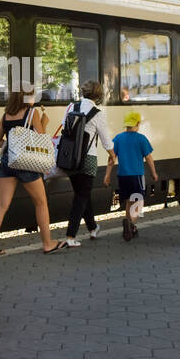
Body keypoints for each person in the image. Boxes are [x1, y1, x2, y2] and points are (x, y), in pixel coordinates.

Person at [0, 86, 62, 257]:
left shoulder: (6, 115)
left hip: (8, 162)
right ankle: (48, 244)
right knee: (41, 203)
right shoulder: (31, 112)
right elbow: (41, 137)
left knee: (1, 205)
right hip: (27, 163)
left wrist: (12, 145)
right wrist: (44, 122)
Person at [60, 80, 114, 248]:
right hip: (87, 160)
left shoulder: (71, 108)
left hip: (69, 159)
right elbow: (106, 141)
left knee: (83, 194)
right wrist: (113, 155)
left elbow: (64, 127)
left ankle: (92, 228)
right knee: (81, 196)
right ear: (98, 96)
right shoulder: (97, 113)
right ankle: (70, 236)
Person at [105, 111, 158, 241]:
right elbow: (149, 158)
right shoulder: (141, 139)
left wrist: (106, 175)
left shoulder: (118, 138)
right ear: (138, 124)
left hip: (122, 176)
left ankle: (129, 225)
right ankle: (130, 222)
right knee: (139, 201)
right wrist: (153, 173)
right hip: (137, 176)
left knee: (129, 200)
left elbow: (111, 159)